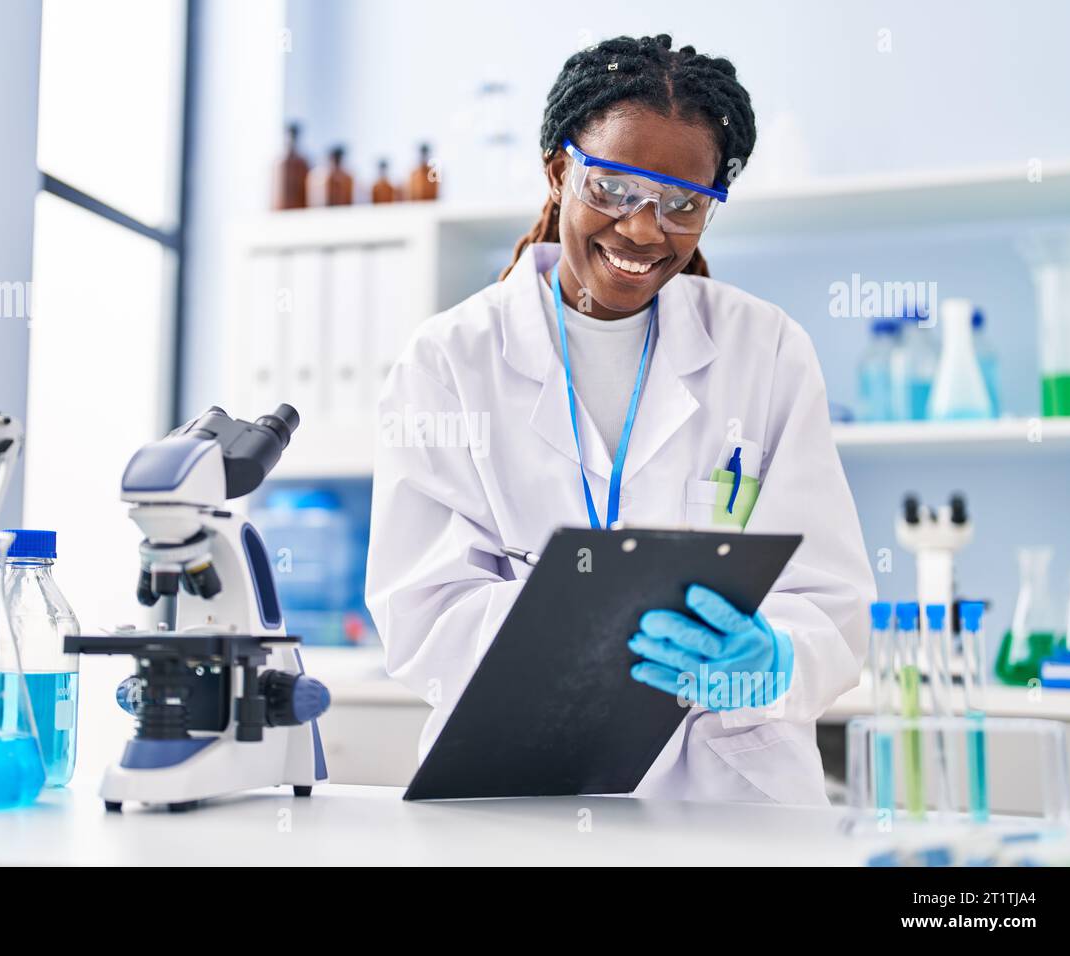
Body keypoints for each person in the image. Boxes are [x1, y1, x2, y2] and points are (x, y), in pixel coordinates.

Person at [365, 35, 874, 805]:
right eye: (611, 188)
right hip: (518, 790)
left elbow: (830, 601)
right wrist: (585, 630)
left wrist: (771, 659)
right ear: (559, 168)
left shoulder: (766, 350)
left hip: (732, 800)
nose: (643, 230)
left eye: (683, 205)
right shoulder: (449, 361)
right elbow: (420, 610)